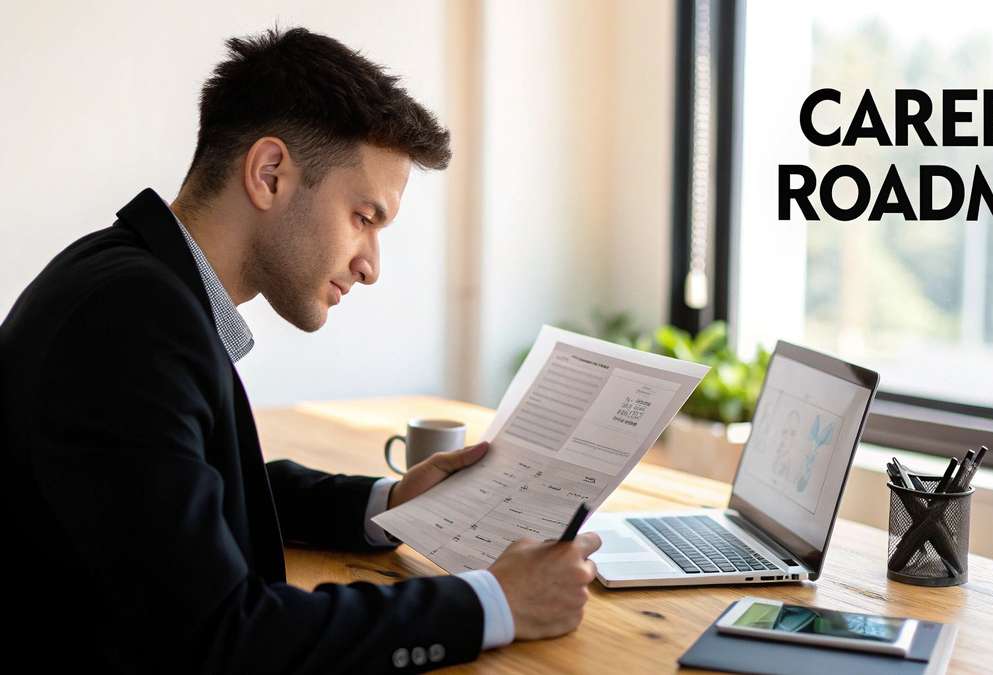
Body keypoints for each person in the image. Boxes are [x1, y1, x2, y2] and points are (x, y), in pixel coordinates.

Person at [0, 26, 600, 673]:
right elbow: (226, 638)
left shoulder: (134, 283)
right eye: (364, 217)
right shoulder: (133, 322)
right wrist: (492, 603)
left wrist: (389, 505)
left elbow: (184, 488)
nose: (370, 265)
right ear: (269, 173)